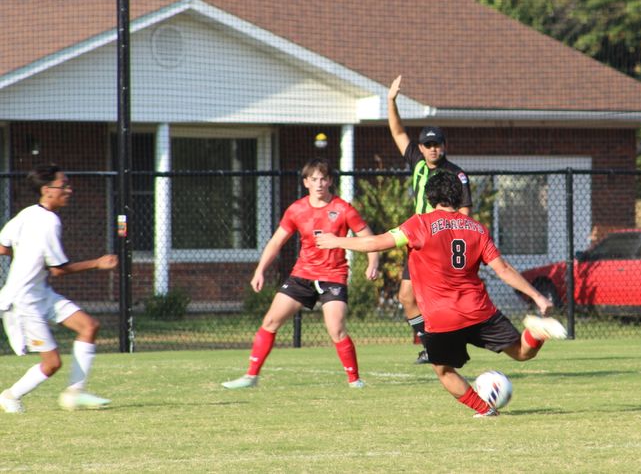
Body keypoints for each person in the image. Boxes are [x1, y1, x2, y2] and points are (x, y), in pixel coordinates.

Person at [316, 172, 567, 417]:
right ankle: (536, 333)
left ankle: (485, 410)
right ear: (459, 197)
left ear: (429, 197)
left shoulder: (419, 224)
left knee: (444, 371)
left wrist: (337, 241)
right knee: (522, 352)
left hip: (442, 317)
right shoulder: (477, 229)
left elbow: (375, 242)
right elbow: (503, 269)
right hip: (479, 310)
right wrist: (537, 296)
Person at [222, 158, 379, 390]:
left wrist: (373, 262)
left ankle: (354, 380)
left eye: (323, 179)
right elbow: (276, 242)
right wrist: (259, 270)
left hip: (333, 276)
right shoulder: (296, 210)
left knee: (336, 329)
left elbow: (369, 238)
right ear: (306, 182)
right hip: (302, 275)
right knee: (270, 321)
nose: (319, 184)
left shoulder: (343, 209)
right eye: (314, 179)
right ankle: (251, 377)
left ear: (330, 181)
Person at [0, 164, 118, 413]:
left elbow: (2, 246)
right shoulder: (48, 221)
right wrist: (97, 263)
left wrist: (27, 258)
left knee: (89, 326)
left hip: (41, 293)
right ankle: (10, 396)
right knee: (52, 363)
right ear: (47, 190)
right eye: (63, 185)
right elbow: (59, 269)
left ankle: (75, 393)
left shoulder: (26, 214)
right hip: (23, 301)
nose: (69, 190)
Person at [387, 74, 473, 364]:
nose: (433, 148)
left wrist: (456, 241)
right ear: (421, 148)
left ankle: (455, 342)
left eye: (437, 144)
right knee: (406, 297)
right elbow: (398, 131)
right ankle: (431, 347)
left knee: (439, 300)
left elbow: (465, 213)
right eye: (428, 144)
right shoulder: (417, 162)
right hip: (418, 242)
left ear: (444, 146)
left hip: (441, 244)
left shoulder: (456, 174)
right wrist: (391, 100)